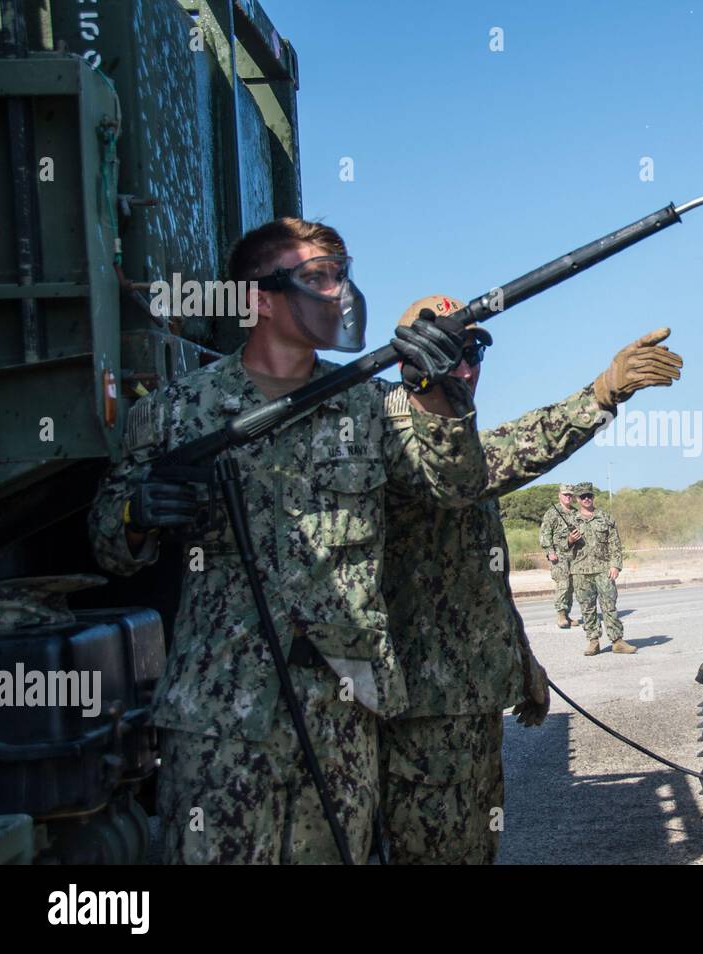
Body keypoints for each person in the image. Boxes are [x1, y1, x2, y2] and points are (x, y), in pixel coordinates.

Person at [88, 218, 486, 864]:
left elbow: (456, 486)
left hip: (342, 710)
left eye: (343, 274)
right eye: (317, 278)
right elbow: (109, 543)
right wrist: (137, 513)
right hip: (219, 715)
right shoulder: (176, 412)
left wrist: (437, 393)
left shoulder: (371, 405)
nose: (341, 293)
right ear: (259, 299)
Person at [381, 299, 682, 862]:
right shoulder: (396, 432)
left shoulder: (456, 438)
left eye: (475, 352)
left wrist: (521, 662)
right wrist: (597, 397)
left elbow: (476, 581)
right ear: (414, 357)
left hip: (464, 699)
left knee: (474, 846)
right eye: (452, 354)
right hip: (419, 710)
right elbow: (508, 454)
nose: (468, 368)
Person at [566, 482, 632, 656]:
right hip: (581, 570)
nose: (586, 499)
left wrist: (615, 565)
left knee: (609, 605)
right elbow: (559, 546)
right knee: (587, 608)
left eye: (589, 495)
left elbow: (615, 544)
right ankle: (593, 641)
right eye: (582, 497)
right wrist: (570, 540)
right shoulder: (571, 520)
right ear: (577, 499)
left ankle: (617, 641)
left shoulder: (605, 517)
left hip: (604, 569)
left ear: (593, 497)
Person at [539, 484, 580, 627]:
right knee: (563, 583)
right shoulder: (552, 512)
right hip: (558, 554)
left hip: (574, 554)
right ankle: (561, 615)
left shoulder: (576, 513)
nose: (568, 497)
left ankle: (567, 614)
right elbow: (545, 534)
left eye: (570, 495)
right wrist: (550, 551)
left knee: (571, 586)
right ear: (559, 495)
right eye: (565, 494)